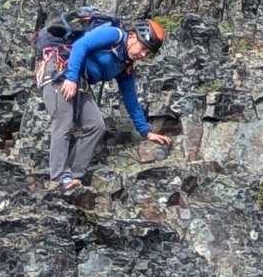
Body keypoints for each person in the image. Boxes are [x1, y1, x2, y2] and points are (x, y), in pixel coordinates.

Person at [42, 18, 172, 193]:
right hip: (59, 69)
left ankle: (73, 176)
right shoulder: (114, 35)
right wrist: (71, 77)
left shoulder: (125, 66)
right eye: (143, 48)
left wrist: (146, 132)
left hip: (79, 81)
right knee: (64, 119)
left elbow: (131, 100)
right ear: (132, 36)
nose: (143, 55)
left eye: (147, 53)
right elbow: (81, 45)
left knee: (96, 125)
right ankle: (59, 178)